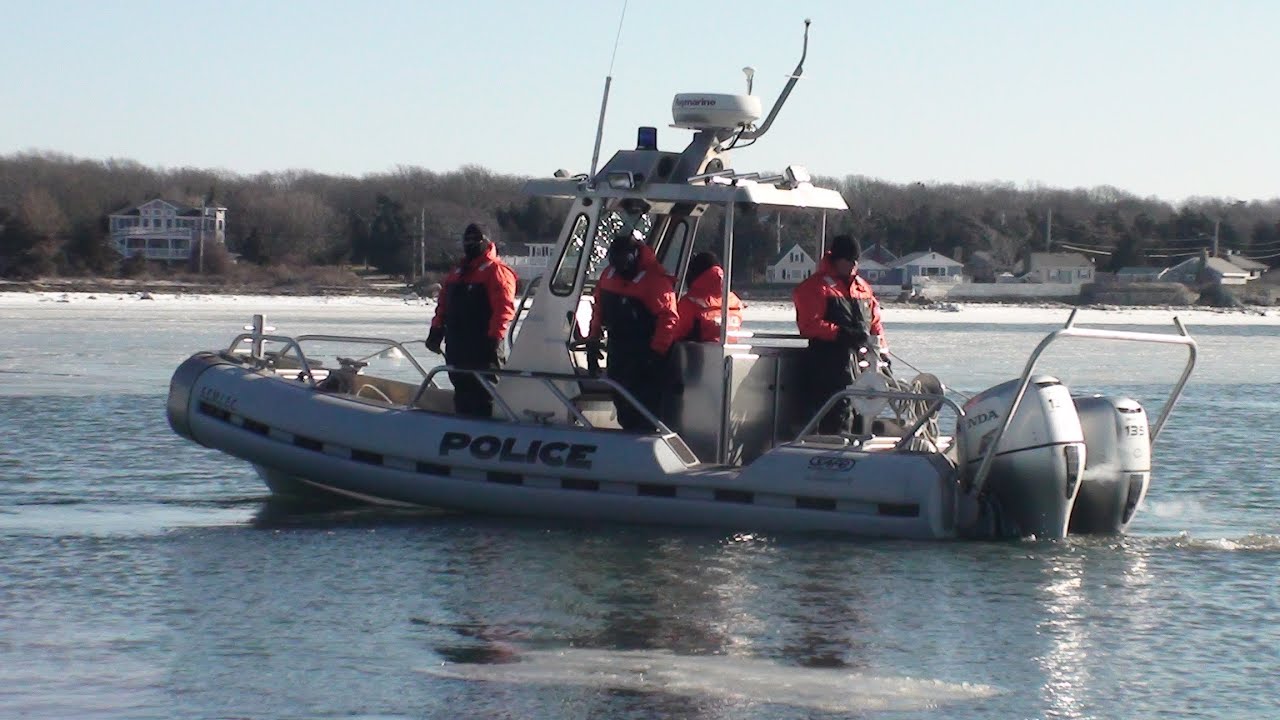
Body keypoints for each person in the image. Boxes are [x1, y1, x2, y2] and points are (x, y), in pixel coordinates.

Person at [792, 234, 889, 434]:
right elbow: (809, 324)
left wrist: (883, 352)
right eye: (848, 260)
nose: (853, 265)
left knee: (864, 409)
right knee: (836, 411)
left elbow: (875, 323)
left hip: (862, 361)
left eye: (855, 260)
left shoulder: (862, 287)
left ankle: (860, 445)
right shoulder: (815, 287)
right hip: (828, 362)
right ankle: (833, 448)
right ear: (837, 259)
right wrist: (842, 334)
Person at [587, 232, 679, 431]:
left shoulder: (655, 281)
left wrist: (655, 354)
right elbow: (598, 309)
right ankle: (628, 434)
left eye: (624, 261)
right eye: (615, 261)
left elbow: (668, 318)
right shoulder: (608, 277)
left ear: (634, 256)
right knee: (621, 398)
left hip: (644, 353)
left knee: (643, 405)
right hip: (618, 350)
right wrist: (593, 341)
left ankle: (643, 435)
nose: (620, 267)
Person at [426, 223, 516, 417]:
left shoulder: (496, 271)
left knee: (486, 390)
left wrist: (495, 338)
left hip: (483, 344)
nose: (470, 243)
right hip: (457, 345)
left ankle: (490, 426)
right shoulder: (458, 273)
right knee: (461, 387)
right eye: (467, 240)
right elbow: (443, 305)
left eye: (475, 240)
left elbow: (504, 308)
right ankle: (463, 423)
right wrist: (436, 330)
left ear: (486, 241)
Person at [673, 251, 744, 342]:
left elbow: (673, 334)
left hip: (697, 354)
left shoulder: (690, 302)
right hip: (728, 353)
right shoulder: (734, 301)